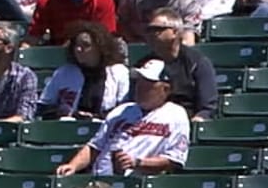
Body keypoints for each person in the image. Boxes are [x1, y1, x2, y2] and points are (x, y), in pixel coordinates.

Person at [55, 59, 190, 177]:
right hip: (100, 180)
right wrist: (73, 165)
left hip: (137, 184)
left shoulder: (175, 115)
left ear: (166, 89)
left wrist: (138, 162)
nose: (140, 87)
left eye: (148, 84)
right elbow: (95, 146)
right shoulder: (122, 111)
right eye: (139, 81)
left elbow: (174, 160)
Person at [35, 21, 129, 121]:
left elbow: (124, 109)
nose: (78, 49)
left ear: (100, 47)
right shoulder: (64, 72)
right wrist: (66, 114)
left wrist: (97, 117)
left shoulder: (119, 72)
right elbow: (44, 106)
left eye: (86, 45)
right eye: (76, 45)